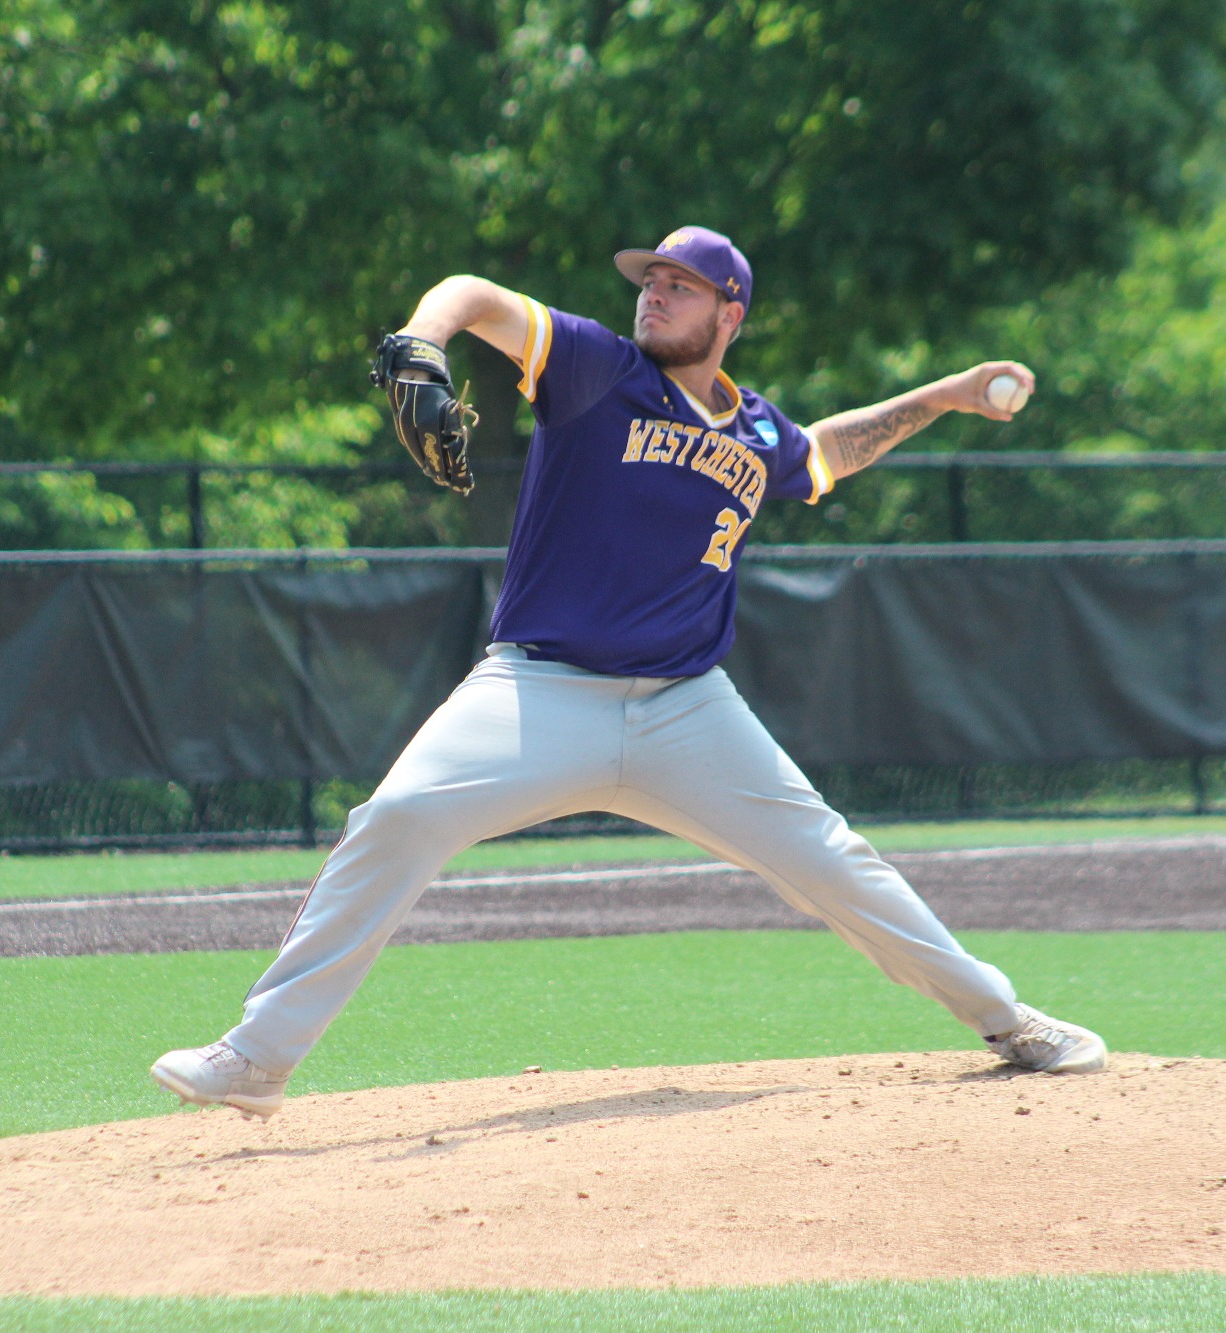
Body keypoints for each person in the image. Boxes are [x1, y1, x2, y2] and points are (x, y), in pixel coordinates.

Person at [151, 226, 1107, 1119]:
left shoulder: (758, 432)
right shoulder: (595, 369)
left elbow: (822, 454)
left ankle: (1007, 1020)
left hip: (689, 710)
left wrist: (943, 395)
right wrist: (421, 343)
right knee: (398, 817)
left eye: (679, 285)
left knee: (830, 860)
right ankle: (259, 1058)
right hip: (538, 690)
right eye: (649, 280)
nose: (654, 294)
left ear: (728, 315)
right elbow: (475, 293)